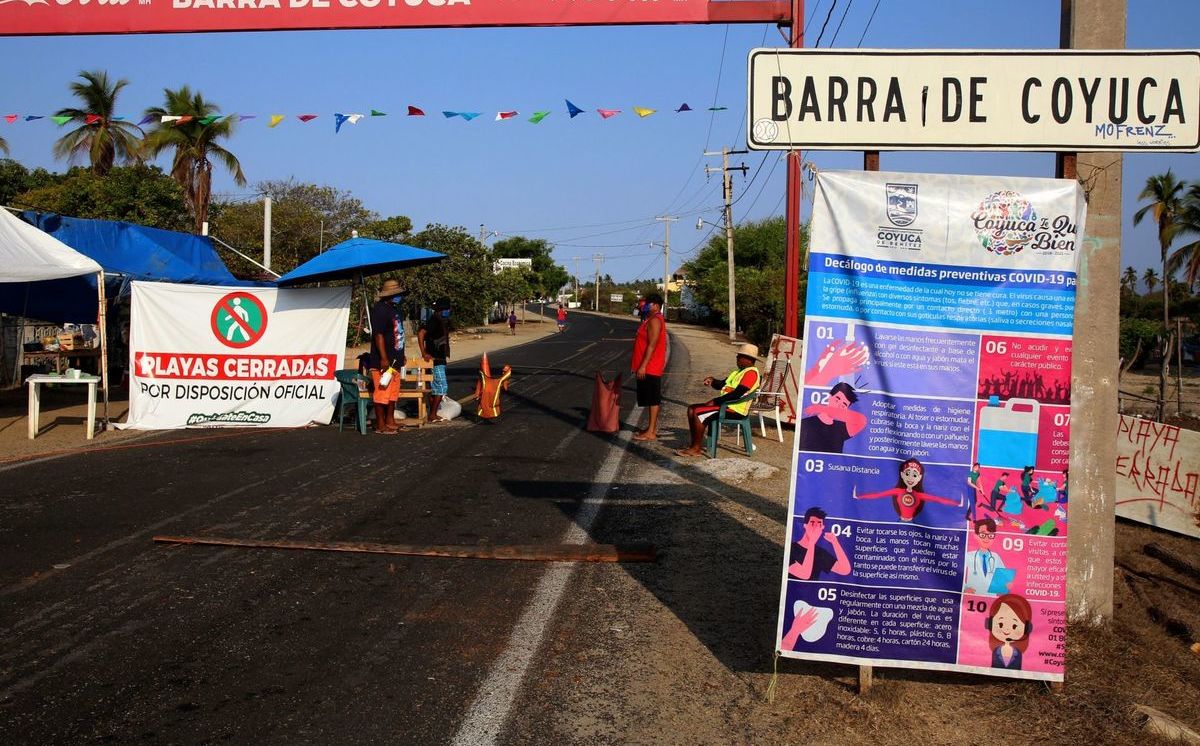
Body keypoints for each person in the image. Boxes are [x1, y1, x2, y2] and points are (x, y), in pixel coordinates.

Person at [674, 342, 761, 457]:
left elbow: (737, 394)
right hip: (727, 405)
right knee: (691, 409)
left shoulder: (751, 373)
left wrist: (715, 401)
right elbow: (722, 385)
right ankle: (694, 444)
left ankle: (696, 449)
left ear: (749, 359)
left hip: (735, 409)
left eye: (740, 356)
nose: (737, 358)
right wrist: (712, 381)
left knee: (698, 412)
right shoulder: (738, 372)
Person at [854, 457, 961, 521]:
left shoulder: (919, 495)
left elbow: (938, 499)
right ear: (902, 474)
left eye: (914, 475)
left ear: (919, 478)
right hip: (899, 522)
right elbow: (878, 495)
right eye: (907, 474)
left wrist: (957, 503)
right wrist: (859, 496)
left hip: (912, 524)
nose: (910, 478)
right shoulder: (898, 491)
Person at [368, 278, 406, 434]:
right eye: (395, 294)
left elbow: (398, 333)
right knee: (382, 392)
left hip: (396, 358)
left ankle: (390, 420)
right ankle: (380, 424)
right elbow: (378, 335)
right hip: (383, 361)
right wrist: (383, 358)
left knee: (393, 393)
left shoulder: (395, 309)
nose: (398, 296)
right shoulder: (380, 310)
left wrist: (402, 354)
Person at [631, 292, 667, 442]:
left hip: (651, 366)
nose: (645, 306)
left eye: (648, 304)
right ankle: (650, 428)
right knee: (649, 398)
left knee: (653, 399)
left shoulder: (655, 321)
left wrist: (643, 366)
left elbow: (652, 345)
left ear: (656, 305)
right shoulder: (650, 319)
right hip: (648, 365)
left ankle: (651, 432)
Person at [797, 382, 867, 454]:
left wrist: (821, 408)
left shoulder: (841, 428)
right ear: (830, 397)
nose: (839, 405)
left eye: (844, 405)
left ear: (846, 410)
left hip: (831, 465)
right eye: (837, 399)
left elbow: (862, 420)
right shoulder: (806, 423)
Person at [787, 507, 852, 580]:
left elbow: (845, 570)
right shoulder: (791, 548)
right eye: (812, 523)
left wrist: (835, 543)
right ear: (805, 525)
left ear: (822, 528)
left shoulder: (819, 553)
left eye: (819, 524)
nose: (815, 527)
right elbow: (804, 574)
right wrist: (812, 542)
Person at [418, 298, 452, 423]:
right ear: (441, 310)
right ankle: (432, 414)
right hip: (435, 360)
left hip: (439, 359)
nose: (448, 311)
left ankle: (433, 414)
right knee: (442, 387)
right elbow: (421, 333)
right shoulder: (434, 320)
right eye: (446, 309)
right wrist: (424, 353)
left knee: (435, 388)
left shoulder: (441, 321)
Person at [986, 593, 1033, 670]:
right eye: (1000, 624)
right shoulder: (995, 652)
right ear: (990, 624)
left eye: (1014, 626)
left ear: (1027, 628)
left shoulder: (1018, 654)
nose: (1006, 630)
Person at [963, 517, 1007, 596]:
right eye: (983, 534)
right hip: (971, 597)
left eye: (990, 535)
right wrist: (964, 588)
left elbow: (1004, 579)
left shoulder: (995, 557)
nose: (986, 538)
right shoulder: (968, 555)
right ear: (976, 536)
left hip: (990, 598)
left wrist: (1001, 588)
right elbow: (956, 574)